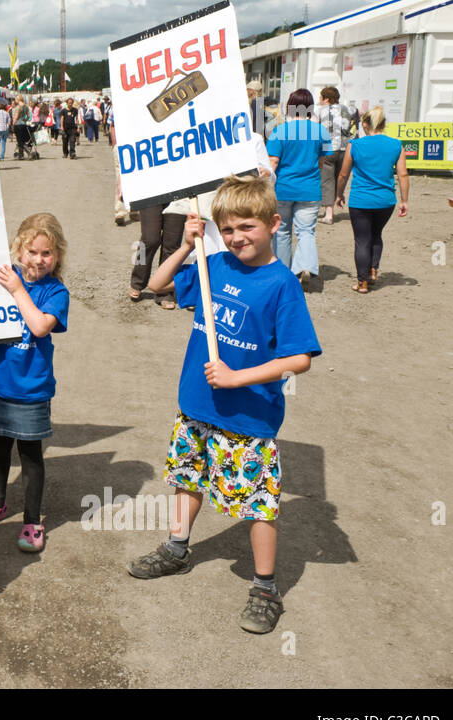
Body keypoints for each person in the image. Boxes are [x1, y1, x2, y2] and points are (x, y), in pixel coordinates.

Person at [128, 176, 320, 634]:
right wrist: (185, 245)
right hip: (196, 406)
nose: (236, 237)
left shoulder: (281, 285)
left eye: (247, 227)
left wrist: (238, 377)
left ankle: (265, 587)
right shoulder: (213, 264)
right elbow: (157, 285)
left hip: (248, 418)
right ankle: (177, 549)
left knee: (258, 504)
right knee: (187, 479)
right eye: (227, 228)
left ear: (274, 224)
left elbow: (299, 360)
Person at [0, 213, 70, 553]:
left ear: (57, 256)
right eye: (31, 252)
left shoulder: (56, 291)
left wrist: (17, 289)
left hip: (30, 387)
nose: (38, 260)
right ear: (17, 249)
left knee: (30, 454)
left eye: (46, 253)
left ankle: (32, 520)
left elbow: (40, 326)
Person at [336, 106, 408, 294]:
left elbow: (343, 174)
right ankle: (373, 270)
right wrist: (404, 200)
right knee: (376, 234)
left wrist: (339, 194)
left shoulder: (355, 145)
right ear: (383, 124)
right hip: (386, 200)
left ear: (365, 124)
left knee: (362, 240)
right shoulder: (396, 144)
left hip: (361, 200)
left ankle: (362, 282)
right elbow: (403, 175)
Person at [265, 88, 332, 289]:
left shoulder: (279, 130)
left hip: (283, 189)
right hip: (310, 189)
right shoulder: (321, 131)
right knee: (306, 232)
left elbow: (273, 161)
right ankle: (304, 266)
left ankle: (284, 273)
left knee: (282, 231)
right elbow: (322, 161)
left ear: (289, 106)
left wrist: (266, 187)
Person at [129, 199, 187, 308]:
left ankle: (165, 292)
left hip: (179, 192)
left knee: (172, 244)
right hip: (151, 191)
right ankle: (137, 281)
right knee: (149, 240)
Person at [316, 86, 353, 224]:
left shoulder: (321, 111)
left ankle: (329, 214)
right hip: (344, 148)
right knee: (339, 177)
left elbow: (317, 130)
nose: (319, 100)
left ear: (326, 99)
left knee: (327, 180)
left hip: (328, 147)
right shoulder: (346, 109)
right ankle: (338, 198)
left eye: (321, 97)